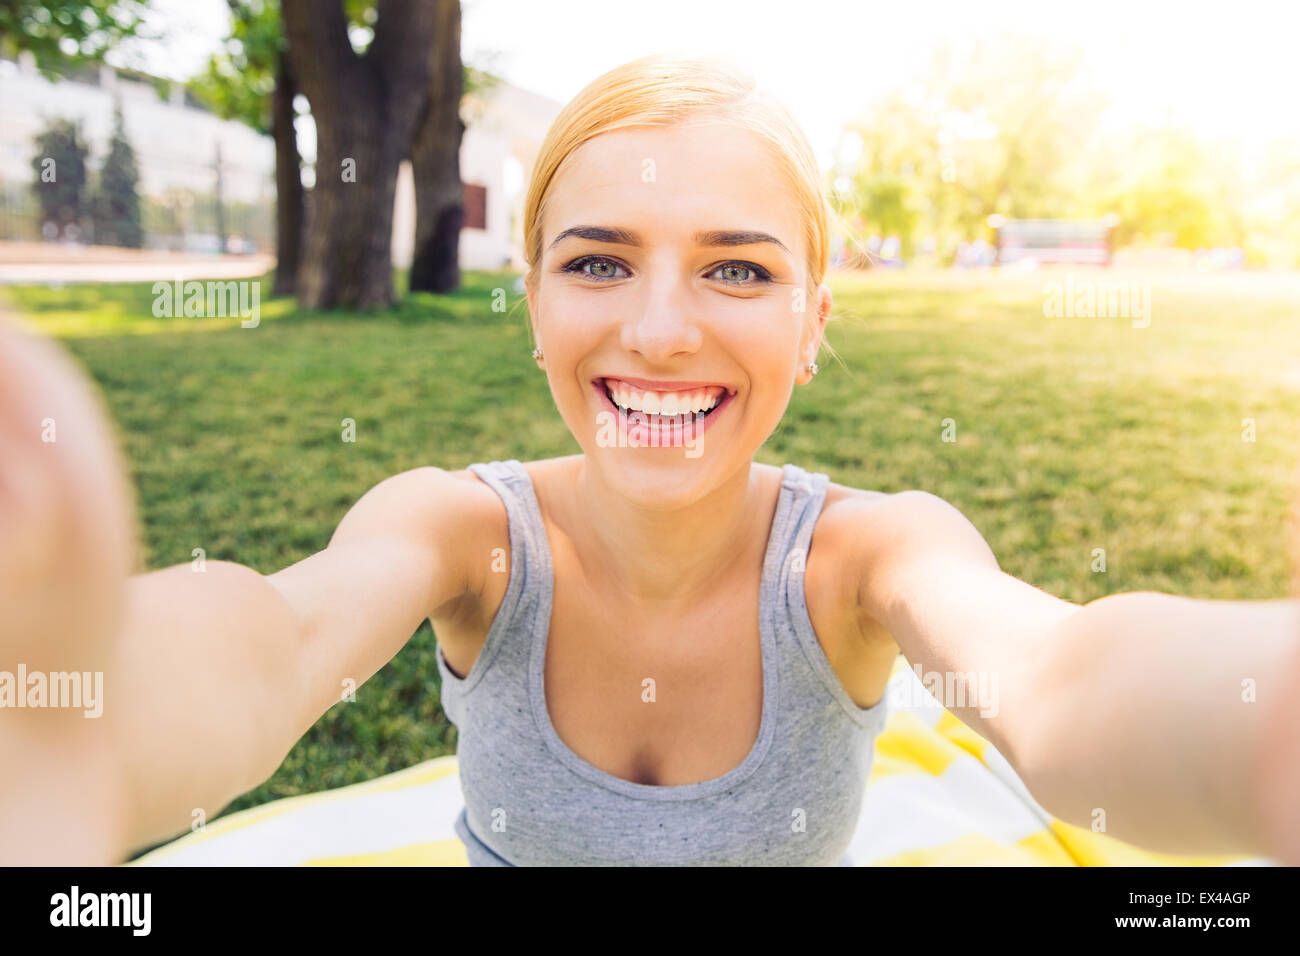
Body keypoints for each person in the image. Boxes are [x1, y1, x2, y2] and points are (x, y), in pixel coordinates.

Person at [2, 53, 1298, 866]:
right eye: (598, 261)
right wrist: (61, 712)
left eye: (738, 267)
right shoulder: (465, 533)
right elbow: (271, 639)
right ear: (536, 303)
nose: (663, 329)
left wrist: (1268, 727)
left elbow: (1066, 677)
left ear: (810, 324)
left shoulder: (868, 555)